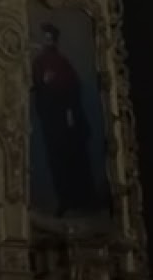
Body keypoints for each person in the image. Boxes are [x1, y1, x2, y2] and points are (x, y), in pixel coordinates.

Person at [31, 23, 96, 216]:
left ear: (55, 40)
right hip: (50, 119)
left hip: (66, 119)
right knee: (56, 160)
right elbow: (36, 86)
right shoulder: (39, 62)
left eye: (50, 38)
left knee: (72, 158)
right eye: (45, 38)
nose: (47, 41)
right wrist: (43, 82)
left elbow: (73, 87)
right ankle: (65, 199)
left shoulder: (62, 61)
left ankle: (81, 199)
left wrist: (69, 112)